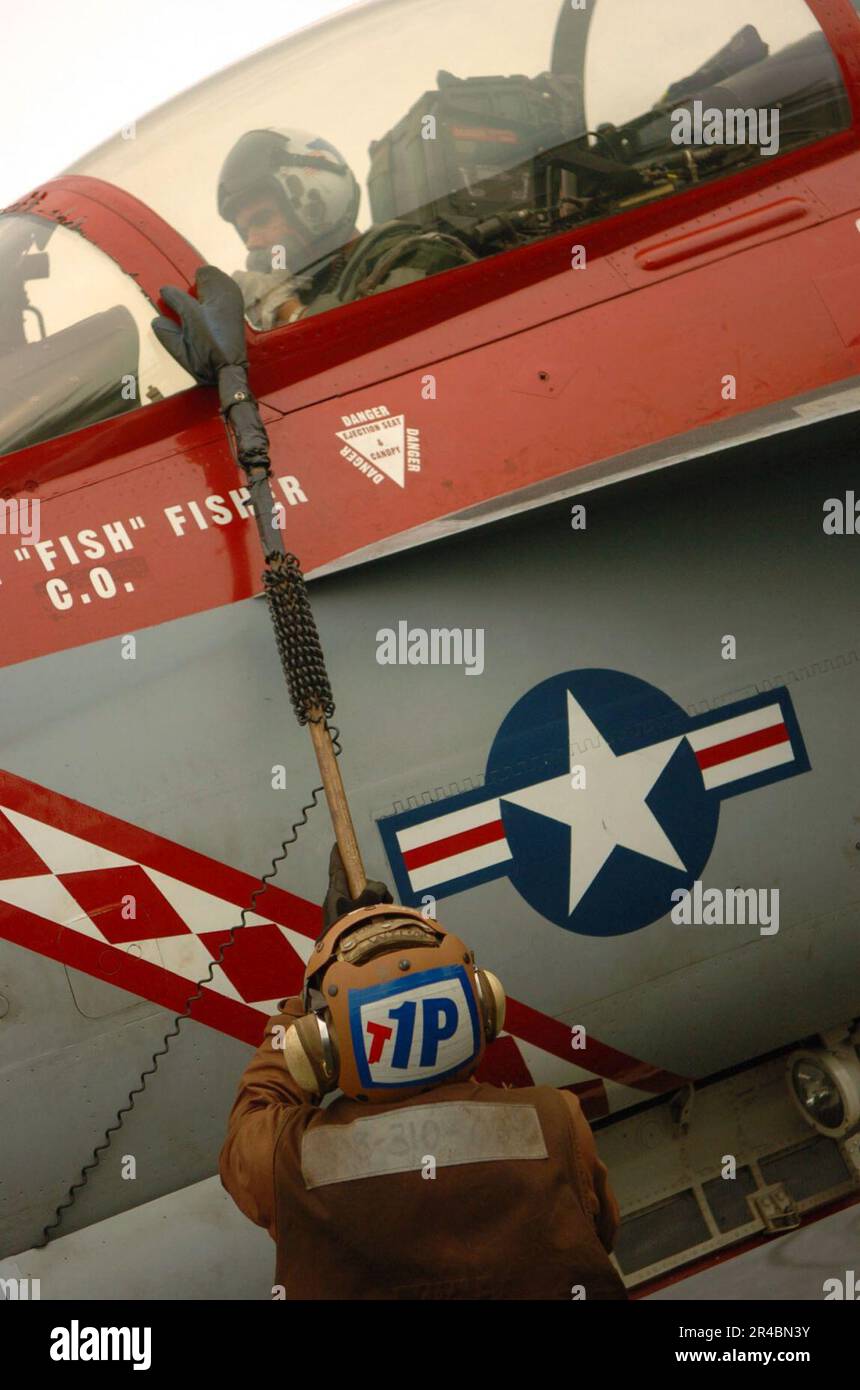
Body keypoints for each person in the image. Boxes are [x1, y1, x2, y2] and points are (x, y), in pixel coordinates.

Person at [219, 843, 628, 1300]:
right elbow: (602, 1235)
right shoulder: (556, 1120)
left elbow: (251, 1120)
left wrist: (309, 1005)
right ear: (482, 1007)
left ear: (321, 1045)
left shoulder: (292, 1162)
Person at [217, 127, 476, 330]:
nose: (251, 242)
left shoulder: (419, 256)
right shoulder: (316, 290)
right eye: (245, 231)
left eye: (261, 219)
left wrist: (286, 309)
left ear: (316, 202)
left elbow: (373, 350)